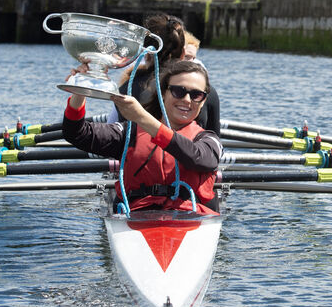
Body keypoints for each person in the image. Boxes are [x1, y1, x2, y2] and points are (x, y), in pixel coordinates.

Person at [64, 59, 221, 215]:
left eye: (196, 95)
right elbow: (76, 133)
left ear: (203, 101)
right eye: (178, 91)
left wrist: (142, 118)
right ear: (163, 93)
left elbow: (197, 157)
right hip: (137, 217)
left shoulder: (208, 140)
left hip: (191, 218)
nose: (187, 99)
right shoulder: (130, 133)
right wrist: (80, 91)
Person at [113, 13, 221, 135]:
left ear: (146, 53)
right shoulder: (205, 92)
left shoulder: (127, 88)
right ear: (183, 53)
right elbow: (215, 143)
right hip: (190, 151)